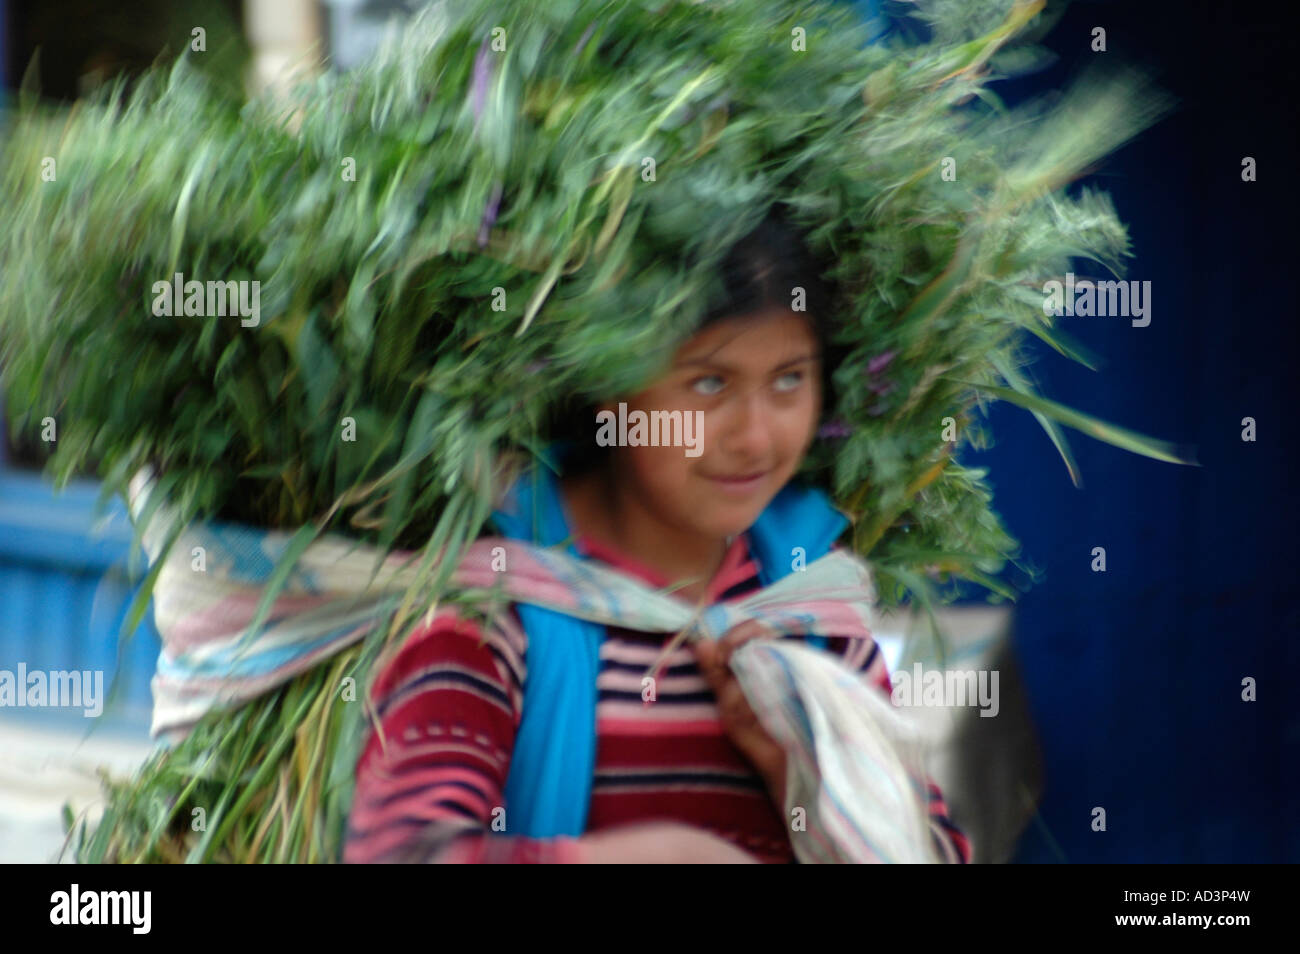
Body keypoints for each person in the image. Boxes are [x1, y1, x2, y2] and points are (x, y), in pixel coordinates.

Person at [343, 211, 972, 863]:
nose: (755, 437)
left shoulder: (808, 611)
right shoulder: (491, 610)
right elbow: (402, 854)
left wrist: (804, 774)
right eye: (709, 383)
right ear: (606, 389)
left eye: (789, 379)